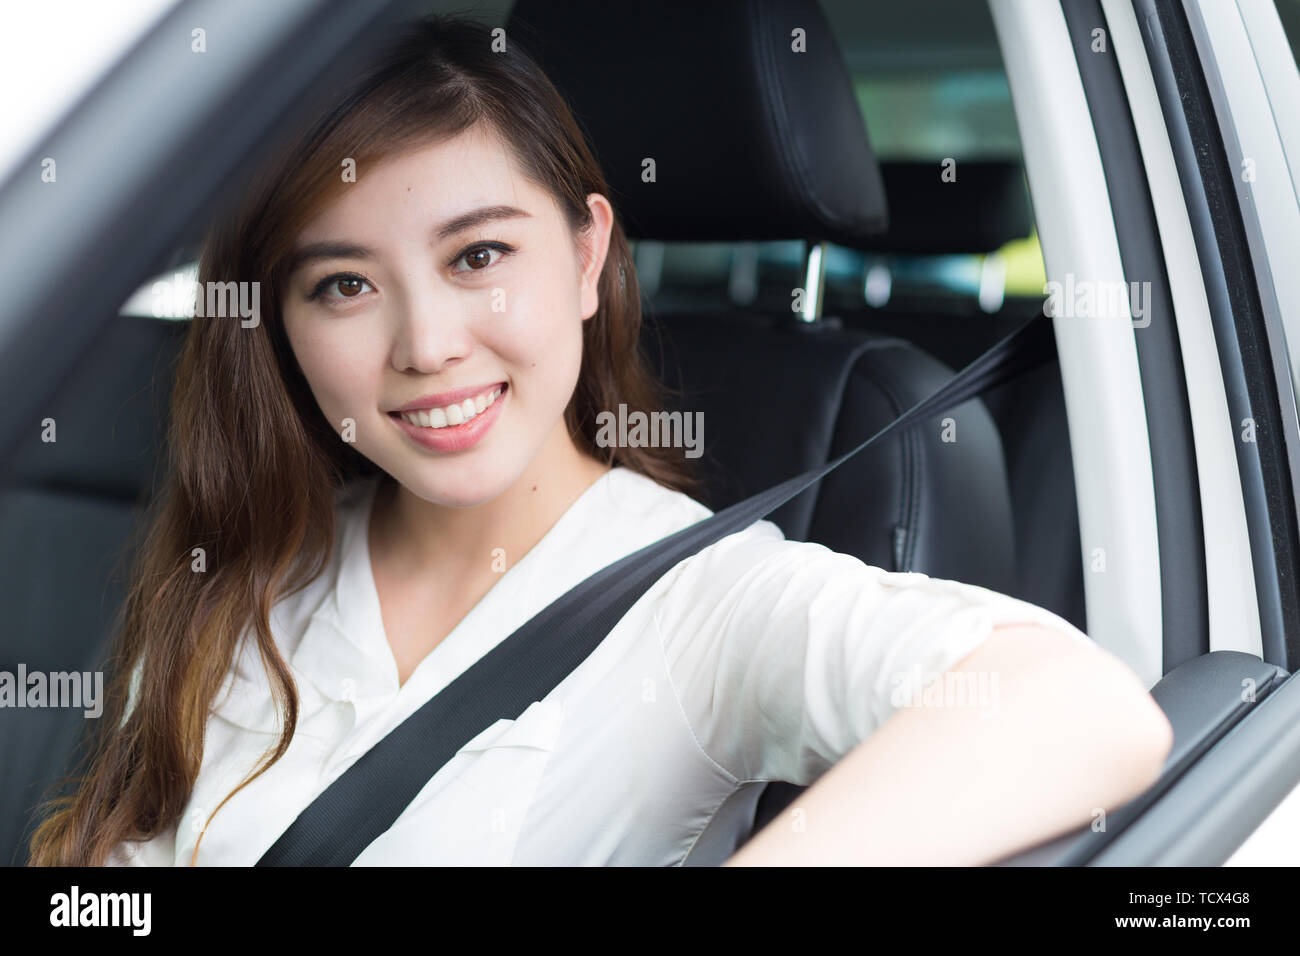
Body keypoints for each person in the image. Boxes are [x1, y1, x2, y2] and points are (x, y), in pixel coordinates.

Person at [27, 14, 1171, 867]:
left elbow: (1080, 706)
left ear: (585, 258)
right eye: (341, 284)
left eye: (478, 255)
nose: (425, 345)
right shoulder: (251, 561)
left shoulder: (700, 601)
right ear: (278, 322)